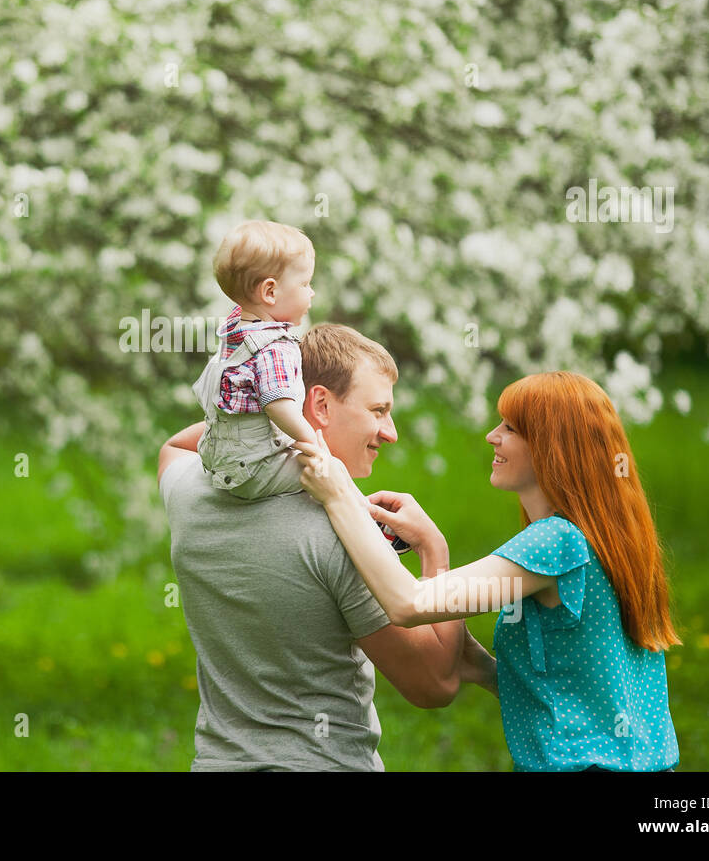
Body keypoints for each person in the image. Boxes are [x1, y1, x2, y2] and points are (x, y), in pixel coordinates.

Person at [296, 371, 681, 771]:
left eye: (511, 428)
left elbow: (407, 604)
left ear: (553, 447)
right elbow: (577, 689)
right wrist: (479, 666)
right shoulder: (603, 538)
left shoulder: (556, 542)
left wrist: (339, 496)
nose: (492, 436)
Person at [159, 323, 497, 771]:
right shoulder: (342, 535)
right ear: (319, 404)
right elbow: (434, 684)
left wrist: (267, 421)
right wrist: (435, 552)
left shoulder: (190, 491)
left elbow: (175, 446)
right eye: (378, 410)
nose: (390, 432)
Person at [191, 219, 319, 500]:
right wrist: (315, 445)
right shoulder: (274, 348)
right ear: (270, 292)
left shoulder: (235, 330)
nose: (311, 292)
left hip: (221, 462)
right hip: (255, 469)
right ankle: (370, 523)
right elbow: (280, 408)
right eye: (305, 283)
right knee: (330, 472)